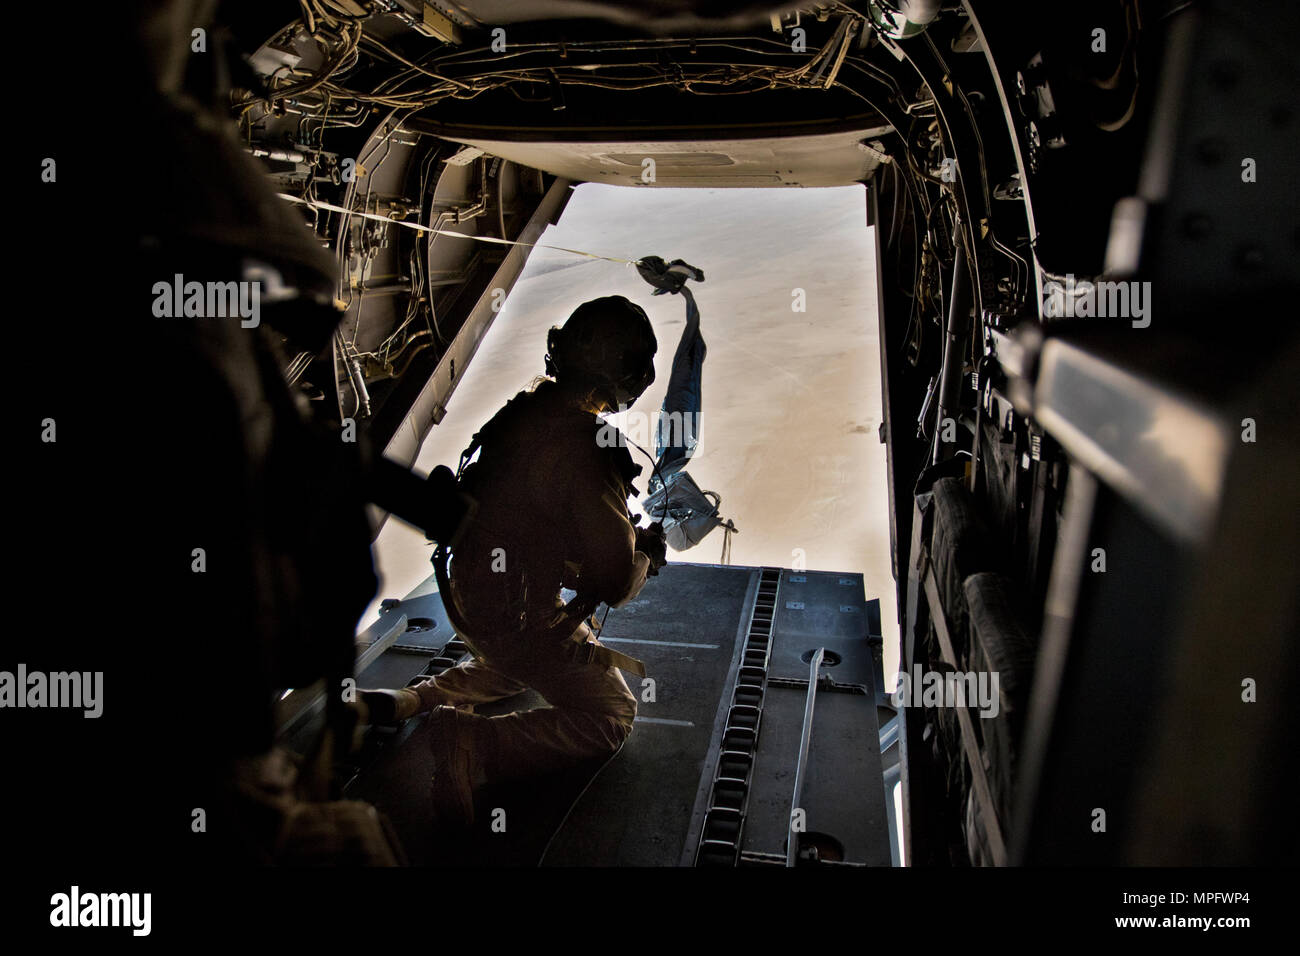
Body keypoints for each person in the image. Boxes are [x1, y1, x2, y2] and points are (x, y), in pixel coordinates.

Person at [362, 295, 669, 825]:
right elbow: (617, 583)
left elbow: (521, 509)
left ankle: (415, 700)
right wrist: (645, 552)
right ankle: (472, 742)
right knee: (612, 715)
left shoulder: (523, 412)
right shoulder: (589, 450)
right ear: (622, 375)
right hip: (517, 615)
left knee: (518, 665)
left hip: (470, 599)